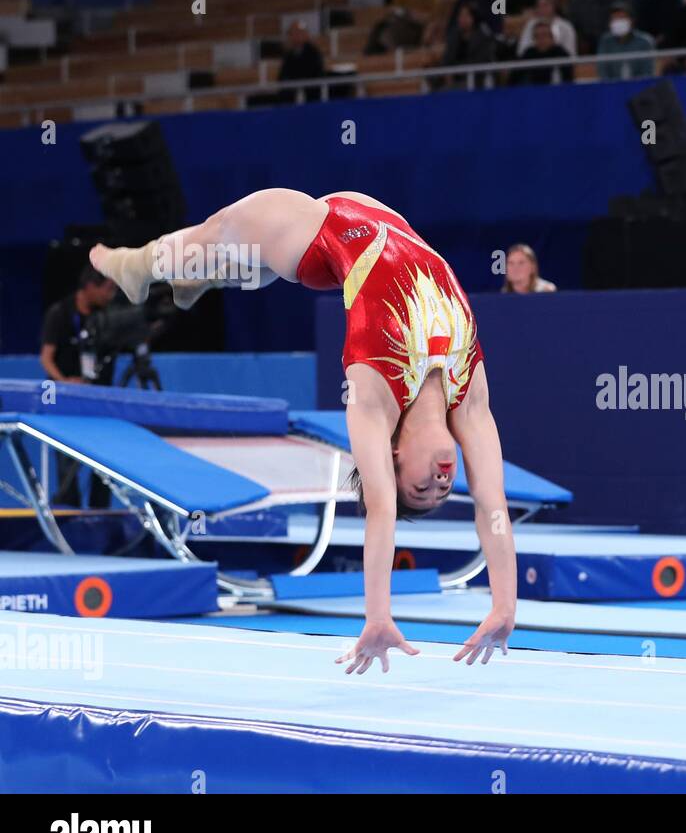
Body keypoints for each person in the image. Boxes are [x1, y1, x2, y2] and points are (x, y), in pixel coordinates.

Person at [89, 189, 516, 673]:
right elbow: (493, 506)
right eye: (443, 489)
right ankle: (196, 281)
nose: (442, 481)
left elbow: (380, 509)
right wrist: (505, 607)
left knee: (221, 228)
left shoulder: (374, 391)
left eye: (422, 487)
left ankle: (136, 265)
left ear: (393, 457)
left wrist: (378, 615)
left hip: (321, 233)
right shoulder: (470, 396)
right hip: (380, 220)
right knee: (247, 259)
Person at [40, 265, 120, 508]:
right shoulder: (60, 313)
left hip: (97, 399)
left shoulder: (106, 317)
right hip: (66, 401)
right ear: (90, 287)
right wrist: (64, 383)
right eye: (108, 289)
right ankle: (69, 513)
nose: (112, 295)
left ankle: (101, 513)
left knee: (102, 462)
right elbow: (46, 357)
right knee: (67, 462)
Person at [597, 3, 657, 80]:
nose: (618, 22)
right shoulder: (605, 42)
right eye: (615, 18)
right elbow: (603, 71)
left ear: (632, 20)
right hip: (612, 89)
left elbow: (648, 72)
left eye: (622, 18)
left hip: (641, 88)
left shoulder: (645, 41)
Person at [511, 20, 575, 85]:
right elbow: (514, 79)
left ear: (552, 37)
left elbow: (568, 80)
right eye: (537, 36)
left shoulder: (561, 53)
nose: (541, 39)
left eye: (544, 35)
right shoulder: (529, 53)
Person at [279, 21, 326, 102]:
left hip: (311, 93)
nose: (296, 36)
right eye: (293, 33)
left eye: (300, 33)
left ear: (306, 34)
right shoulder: (288, 55)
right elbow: (283, 75)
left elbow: (316, 73)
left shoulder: (313, 52)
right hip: (291, 93)